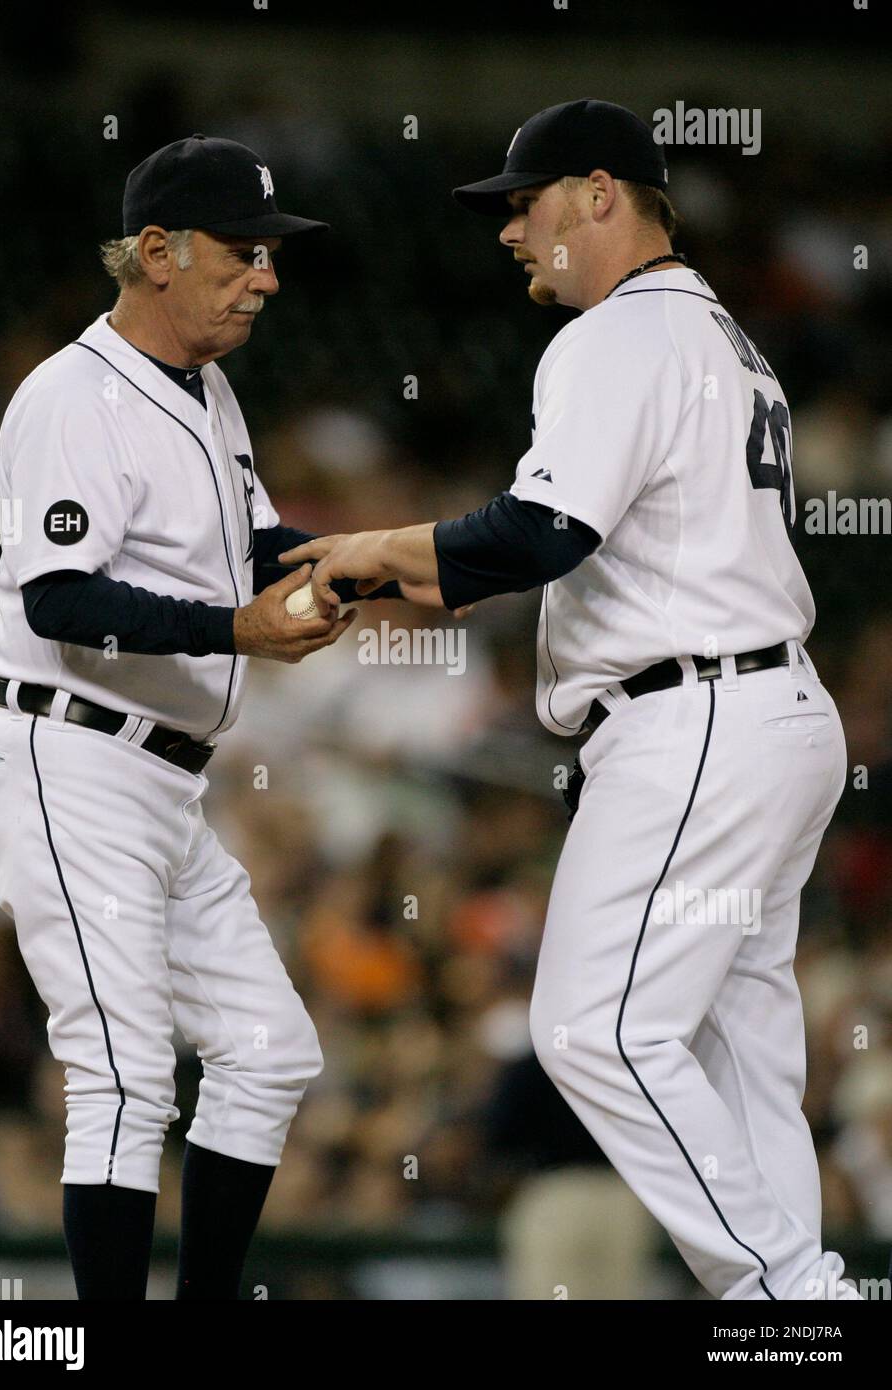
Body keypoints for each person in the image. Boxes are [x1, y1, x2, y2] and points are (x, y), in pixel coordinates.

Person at [280, 100, 863, 1300]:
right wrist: (392, 561)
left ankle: (790, 1299)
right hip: (766, 712)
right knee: (732, 1046)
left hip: (693, 718)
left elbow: (537, 532)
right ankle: (791, 1311)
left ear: (600, 193)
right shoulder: (720, 336)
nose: (507, 231)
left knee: (593, 1029)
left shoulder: (621, 333)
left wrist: (376, 548)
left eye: (523, 202)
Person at [0, 133, 443, 1302]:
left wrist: (383, 558)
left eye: (269, 255)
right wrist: (238, 629)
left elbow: (261, 547)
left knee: (271, 1052)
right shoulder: (73, 395)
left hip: (163, 779)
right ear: (154, 252)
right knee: (123, 1079)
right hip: (67, 756)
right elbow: (61, 596)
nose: (266, 277)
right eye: (242, 253)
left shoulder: (206, 388)